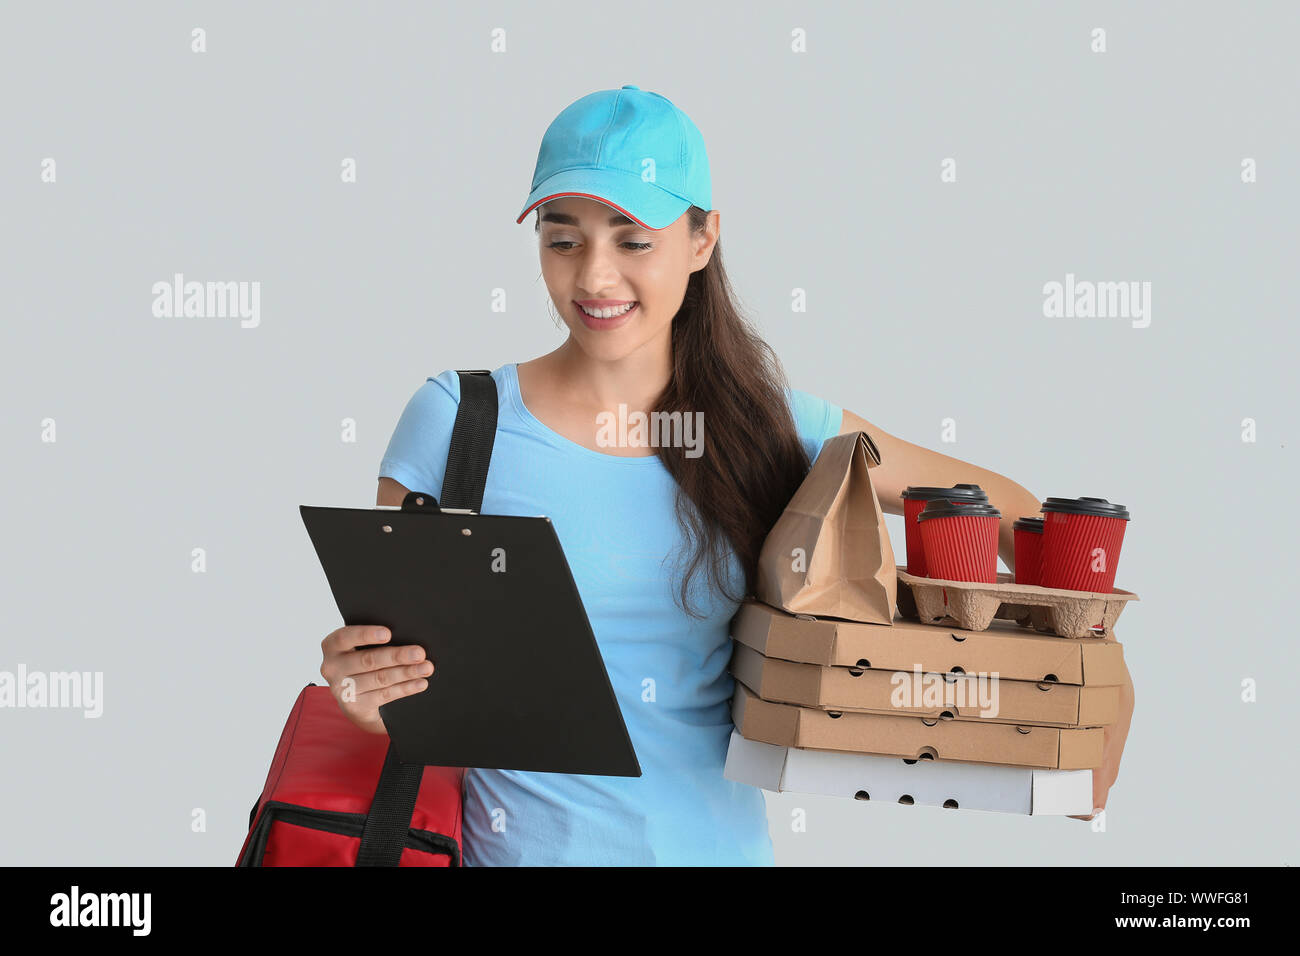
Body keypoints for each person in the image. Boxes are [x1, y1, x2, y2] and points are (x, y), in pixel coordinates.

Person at [317, 85, 1135, 865]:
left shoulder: (768, 430)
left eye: (634, 240)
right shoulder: (459, 424)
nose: (594, 277)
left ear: (703, 239)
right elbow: (418, 696)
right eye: (562, 238)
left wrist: (1093, 666)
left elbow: (1010, 513)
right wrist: (370, 704)